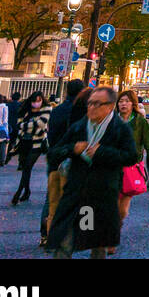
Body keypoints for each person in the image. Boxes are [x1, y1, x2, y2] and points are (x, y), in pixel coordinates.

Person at [46, 87, 140, 259]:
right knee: (65, 241)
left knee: (97, 243)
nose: (91, 107)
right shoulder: (79, 127)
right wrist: (72, 149)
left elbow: (131, 156)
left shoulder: (119, 129)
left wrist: (102, 152)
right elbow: (53, 153)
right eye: (90, 103)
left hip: (102, 196)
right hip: (75, 194)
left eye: (97, 104)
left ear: (111, 106)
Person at [115, 89, 149, 251]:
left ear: (133, 104)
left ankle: (117, 225)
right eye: (121, 101)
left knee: (123, 208)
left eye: (127, 101)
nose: (123, 104)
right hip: (113, 166)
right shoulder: (112, 120)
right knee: (113, 204)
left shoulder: (139, 121)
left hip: (131, 166)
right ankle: (111, 236)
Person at [41, 79, 86, 247]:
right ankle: (73, 235)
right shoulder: (82, 111)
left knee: (51, 199)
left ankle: (45, 234)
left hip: (56, 159)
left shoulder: (57, 110)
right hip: (73, 161)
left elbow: (51, 135)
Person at [10, 91, 50, 206]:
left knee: (28, 166)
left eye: (39, 101)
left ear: (42, 100)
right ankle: (27, 191)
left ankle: (19, 192)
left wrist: (27, 125)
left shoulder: (47, 109)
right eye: (34, 101)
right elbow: (19, 125)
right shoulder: (25, 109)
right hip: (24, 142)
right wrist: (33, 125)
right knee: (25, 167)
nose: (36, 103)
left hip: (37, 144)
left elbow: (42, 124)